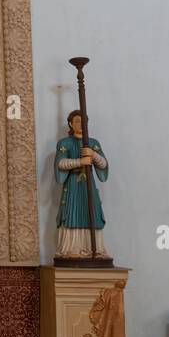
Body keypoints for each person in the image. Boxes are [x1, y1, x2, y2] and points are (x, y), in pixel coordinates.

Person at [54, 109, 109, 259]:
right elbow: (60, 163)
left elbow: (103, 164)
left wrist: (93, 155)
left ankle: (94, 249)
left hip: (88, 184)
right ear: (70, 124)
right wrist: (80, 161)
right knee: (72, 213)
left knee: (93, 213)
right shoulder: (65, 143)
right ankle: (72, 249)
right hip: (73, 184)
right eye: (77, 121)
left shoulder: (93, 143)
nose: (81, 125)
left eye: (83, 122)